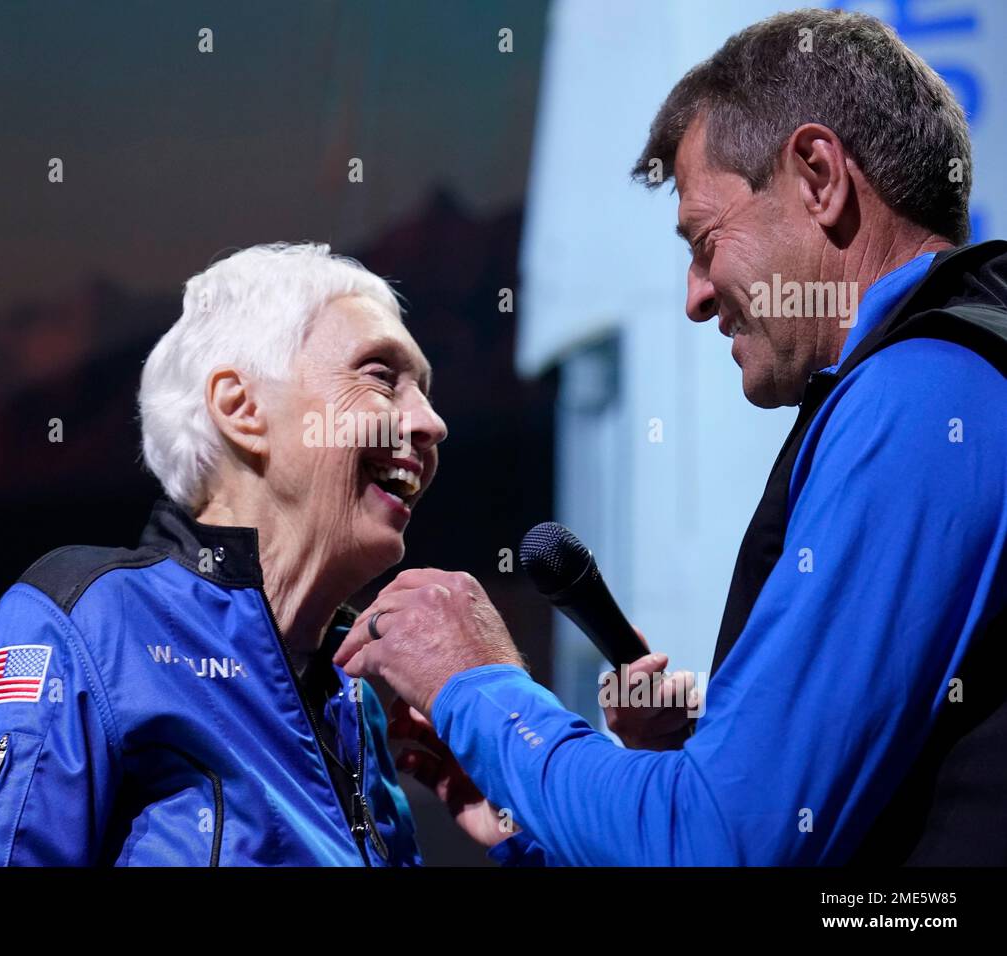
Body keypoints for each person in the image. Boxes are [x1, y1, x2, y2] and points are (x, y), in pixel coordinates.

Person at [337, 9, 1007, 865]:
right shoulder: (956, 373)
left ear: (818, 174)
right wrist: (533, 807)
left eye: (704, 240)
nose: (695, 295)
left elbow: (719, 841)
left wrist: (477, 687)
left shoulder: (922, 398)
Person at [0, 242, 447, 865]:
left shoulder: (355, 700)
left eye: (425, 391)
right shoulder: (88, 619)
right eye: (381, 376)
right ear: (242, 409)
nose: (431, 422)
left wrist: (517, 833)